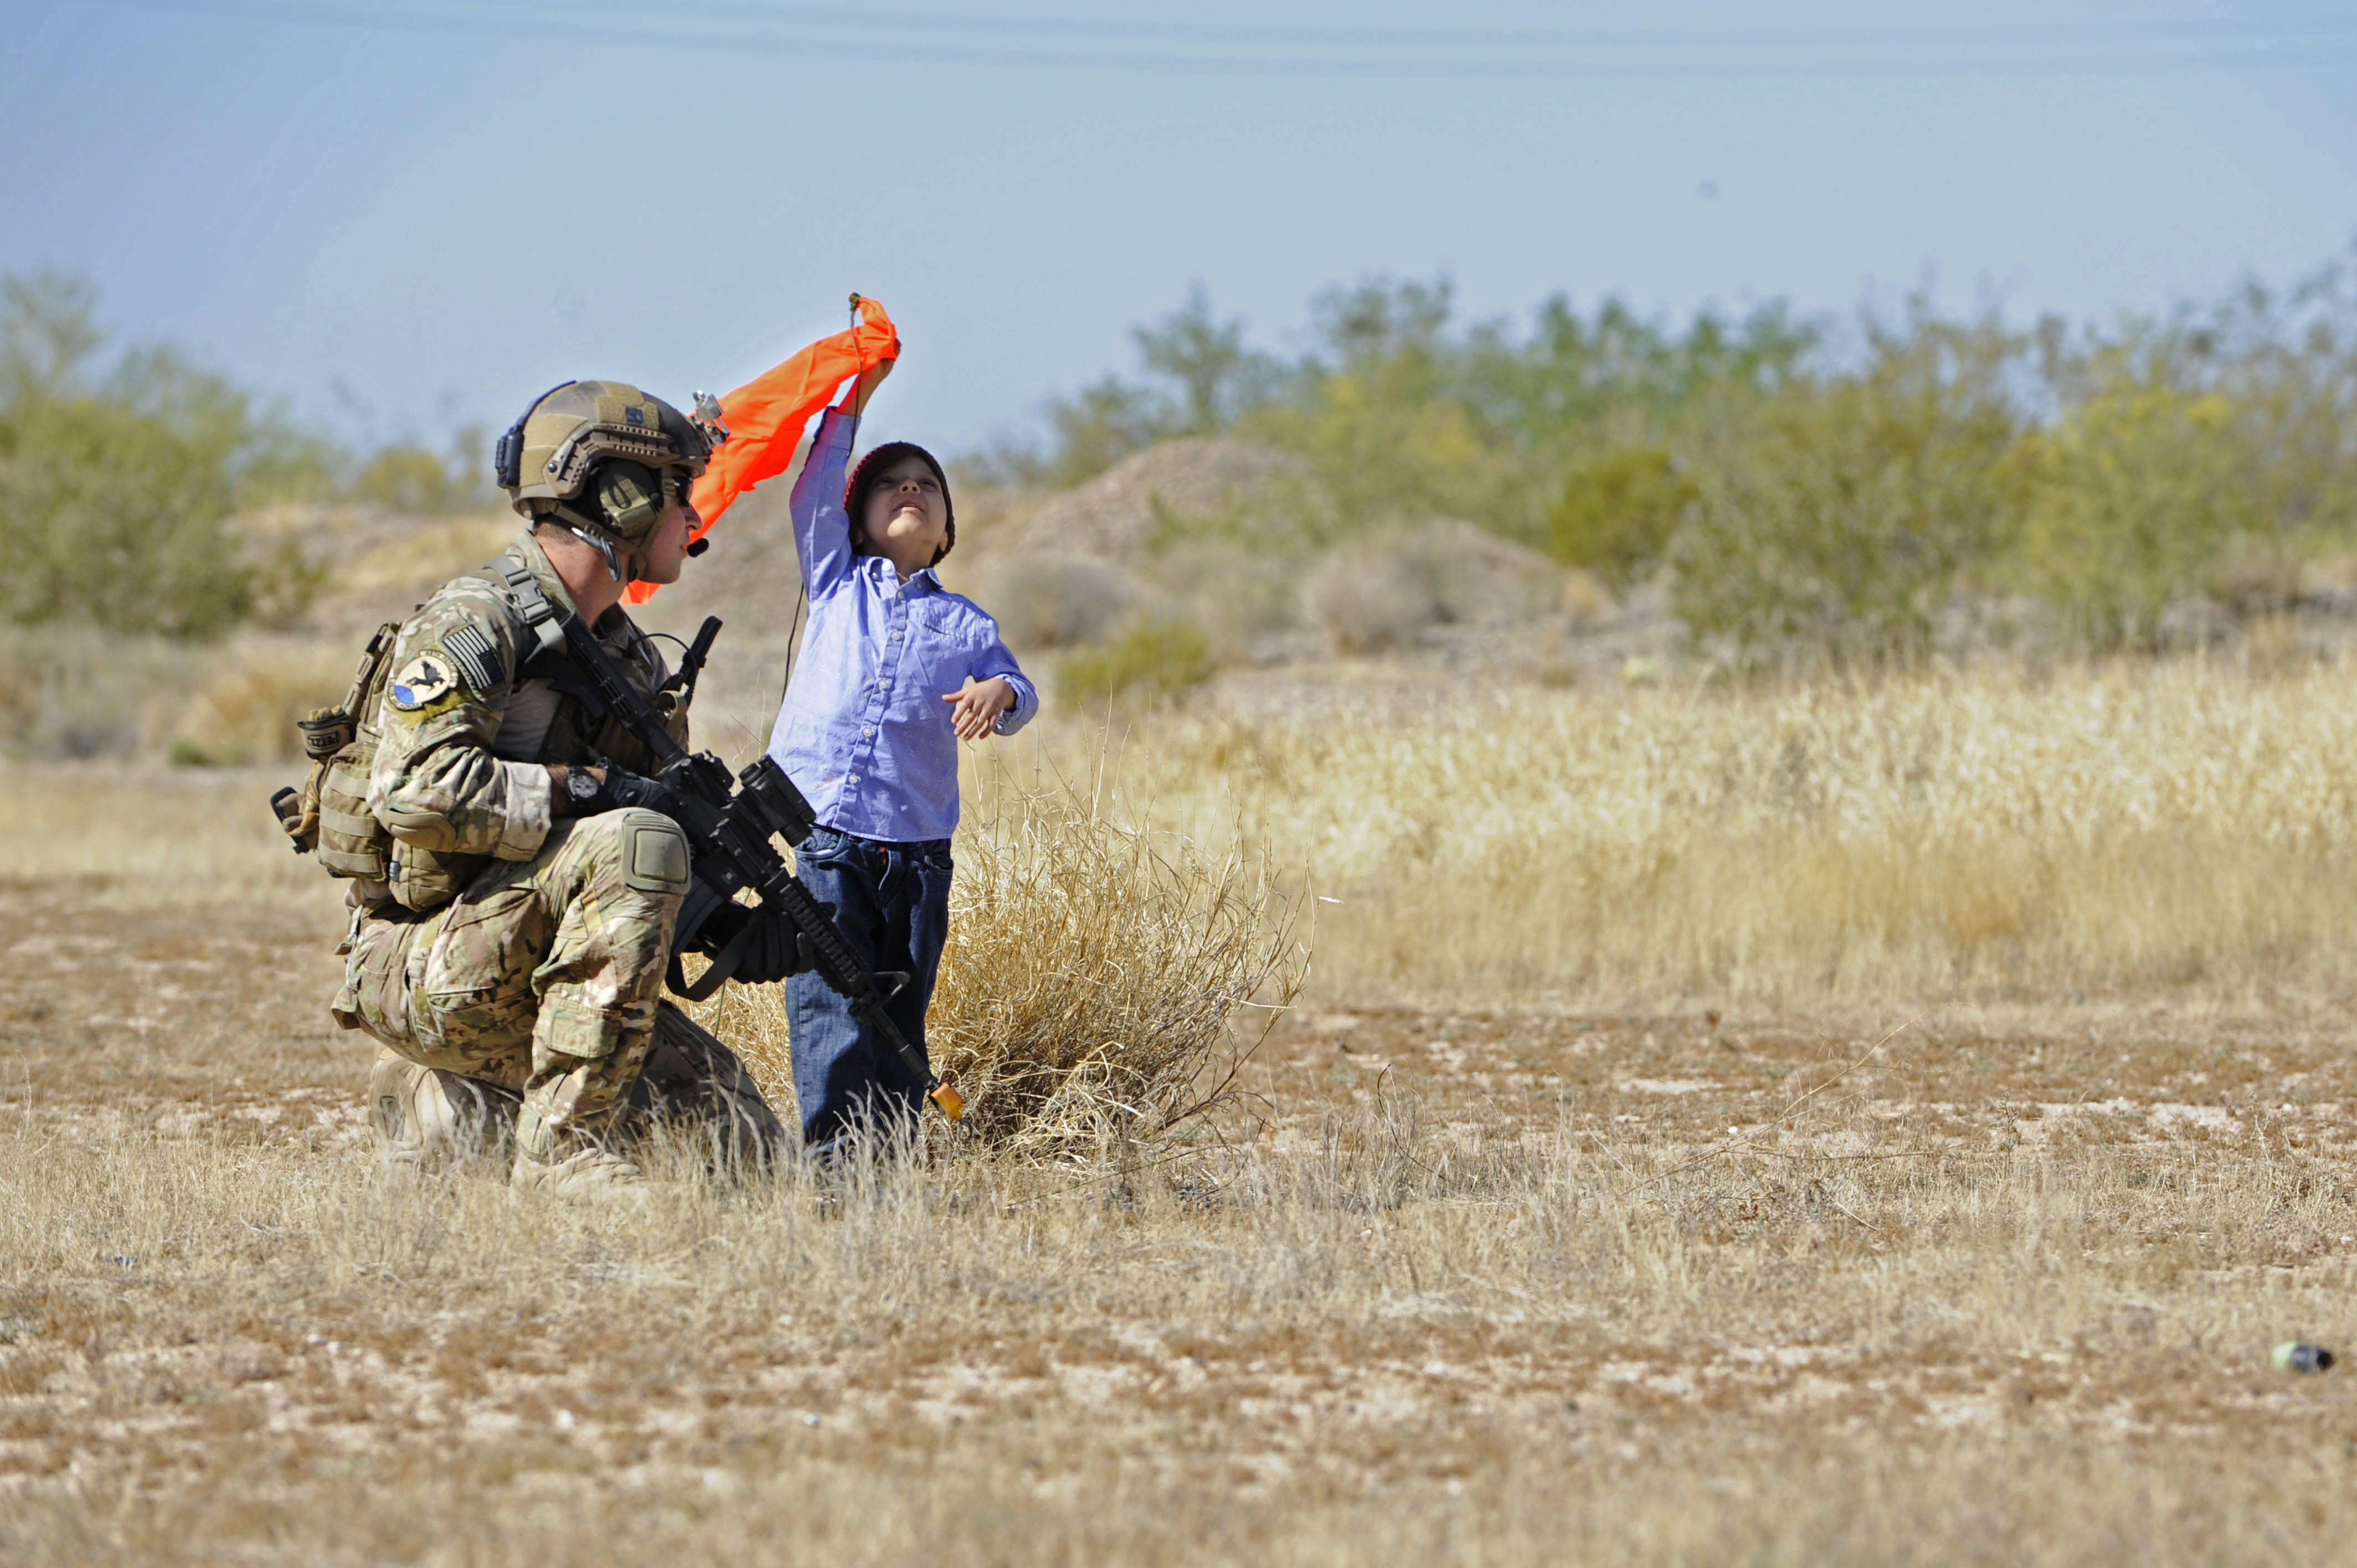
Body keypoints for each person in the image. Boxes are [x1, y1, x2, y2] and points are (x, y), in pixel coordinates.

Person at [330, 380, 792, 1199]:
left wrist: (724, 927)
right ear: (619, 494)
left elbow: (617, 896)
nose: (695, 516)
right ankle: (560, 1155)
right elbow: (413, 792)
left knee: (743, 1152)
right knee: (635, 838)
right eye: (680, 491)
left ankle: (455, 1102)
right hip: (421, 960)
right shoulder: (477, 620)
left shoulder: (633, 663)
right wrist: (586, 786)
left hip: (533, 962)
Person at [766, 357, 1038, 1151]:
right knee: (827, 1001)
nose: (910, 490)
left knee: (896, 1011)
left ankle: (885, 1166)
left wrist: (1002, 695)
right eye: (890, 485)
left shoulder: (968, 625)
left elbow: (1021, 687)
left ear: (948, 531)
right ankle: (831, 1169)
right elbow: (814, 483)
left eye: (927, 484)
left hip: (918, 854)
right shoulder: (835, 584)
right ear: (855, 523)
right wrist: (857, 394)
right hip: (825, 835)